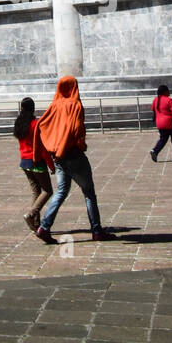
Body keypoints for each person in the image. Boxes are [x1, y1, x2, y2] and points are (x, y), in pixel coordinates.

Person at [34, 75, 114, 243]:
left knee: (62, 191)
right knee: (89, 193)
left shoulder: (54, 105)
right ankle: (97, 230)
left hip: (58, 156)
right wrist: (80, 144)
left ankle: (44, 227)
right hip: (73, 154)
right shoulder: (75, 105)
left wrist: (52, 145)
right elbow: (77, 128)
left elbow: (42, 125)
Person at [14, 96, 54, 232]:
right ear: (33, 108)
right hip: (36, 162)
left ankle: (35, 223)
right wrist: (51, 165)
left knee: (36, 191)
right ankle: (31, 214)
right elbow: (42, 148)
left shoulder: (19, 123)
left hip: (24, 162)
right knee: (48, 190)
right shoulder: (35, 124)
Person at [150, 84, 172, 161]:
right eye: (168, 91)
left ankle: (155, 151)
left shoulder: (155, 100)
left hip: (159, 123)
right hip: (169, 122)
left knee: (163, 139)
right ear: (164, 92)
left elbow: (153, 109)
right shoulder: (169, 100)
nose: (169, 92)